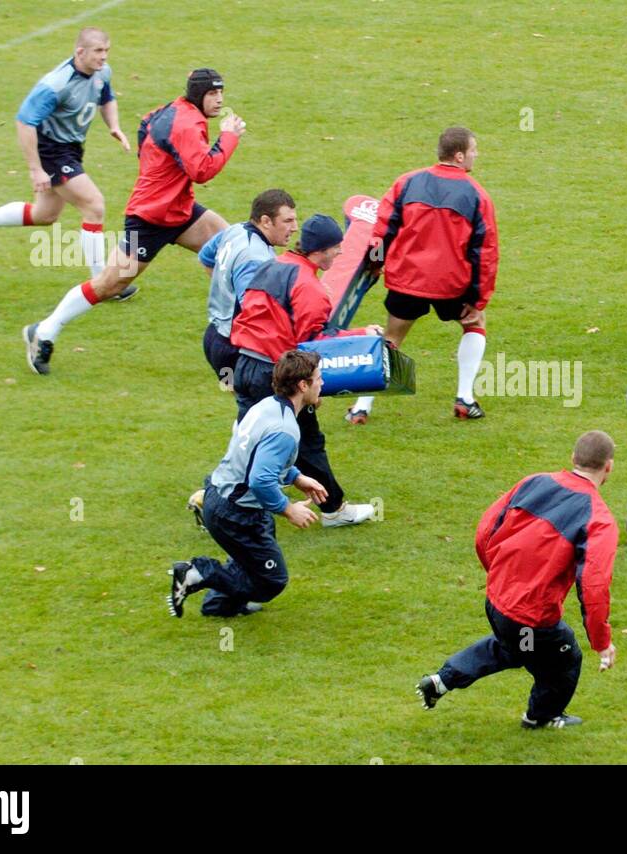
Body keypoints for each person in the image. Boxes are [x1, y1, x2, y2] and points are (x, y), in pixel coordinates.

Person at [23, 68, 245, 375]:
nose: (219, 100)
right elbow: (202, 170)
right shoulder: (187, 123)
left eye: (221, 93)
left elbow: (145, 127)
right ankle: (44, 331)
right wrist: (229, 137)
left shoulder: (171, 110)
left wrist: (160, 170)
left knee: (234, 251)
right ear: (198, 96)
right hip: (149, 221)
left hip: (181, 211)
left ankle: (248, 337)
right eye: (212, 94)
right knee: (110, 284)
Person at [416, 431, 619, 729]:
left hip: (498, 600)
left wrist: (499, 575)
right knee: (565, 657)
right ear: (609, 467)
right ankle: (540, 717)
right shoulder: (599, 519)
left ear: (573, 458)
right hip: (531, 616)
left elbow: (486, 528)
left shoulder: (534, 481)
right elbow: (594, 585)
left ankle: (441, 681)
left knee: (515, 648)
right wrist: (601, 642)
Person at [193, 214, 380, 529]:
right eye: (336, 248)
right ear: (320, 250)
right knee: (307, 442)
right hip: (276, 373)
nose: (339, 254)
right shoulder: (310, 288)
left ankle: (211, 494)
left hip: (244, 364)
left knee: (248, 435)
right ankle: (334, 509)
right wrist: (362, 335)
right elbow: (312, 344)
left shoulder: (271, 265)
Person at [0, 27, 130, 283]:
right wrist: (36, 169)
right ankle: (101, 283)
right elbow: (25, 123)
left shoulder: (102, 72)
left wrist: (114, 126)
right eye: (98, 51)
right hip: (51, 151)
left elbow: (107, 97)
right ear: (80, 52)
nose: (104, 57)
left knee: (45, 215)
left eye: (107, 51)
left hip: (71, 149)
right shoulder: (55, 85)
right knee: (94, 205)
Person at [346, 126, 498, 424]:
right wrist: (478, 299)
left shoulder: (407, 183)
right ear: (459, 155)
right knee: (475, 324)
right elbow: (485, 252)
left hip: (407, 280)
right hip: (451, 285)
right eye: (473, 150)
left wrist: (376, 264)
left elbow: (382, 230)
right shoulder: (477, 195)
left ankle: (361, 407)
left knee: (392, 338)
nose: (476, 155)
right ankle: (465, 398)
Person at [169, 350, 329, 618]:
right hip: (236, 513)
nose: (322, 383)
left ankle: (219, 606)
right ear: (303, 385)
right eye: (318, 378)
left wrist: (296, 477)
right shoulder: (285, 429)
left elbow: (256, 457)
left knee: (250, 563)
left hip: (220, 497)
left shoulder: (266, 406)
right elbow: (260, 479)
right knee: (271, 580)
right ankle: (196, 573)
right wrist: (288, 509)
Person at [198, 189, 299, 381]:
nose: (295, 227)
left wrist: (226, 287)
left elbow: (206, 257)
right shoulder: (255, 258)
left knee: (249, 406)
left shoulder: (235, 230)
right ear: (266, 221)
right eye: (287, 221)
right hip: (235, 348)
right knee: (269, 405)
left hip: (213, 337)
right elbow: (256, 311)